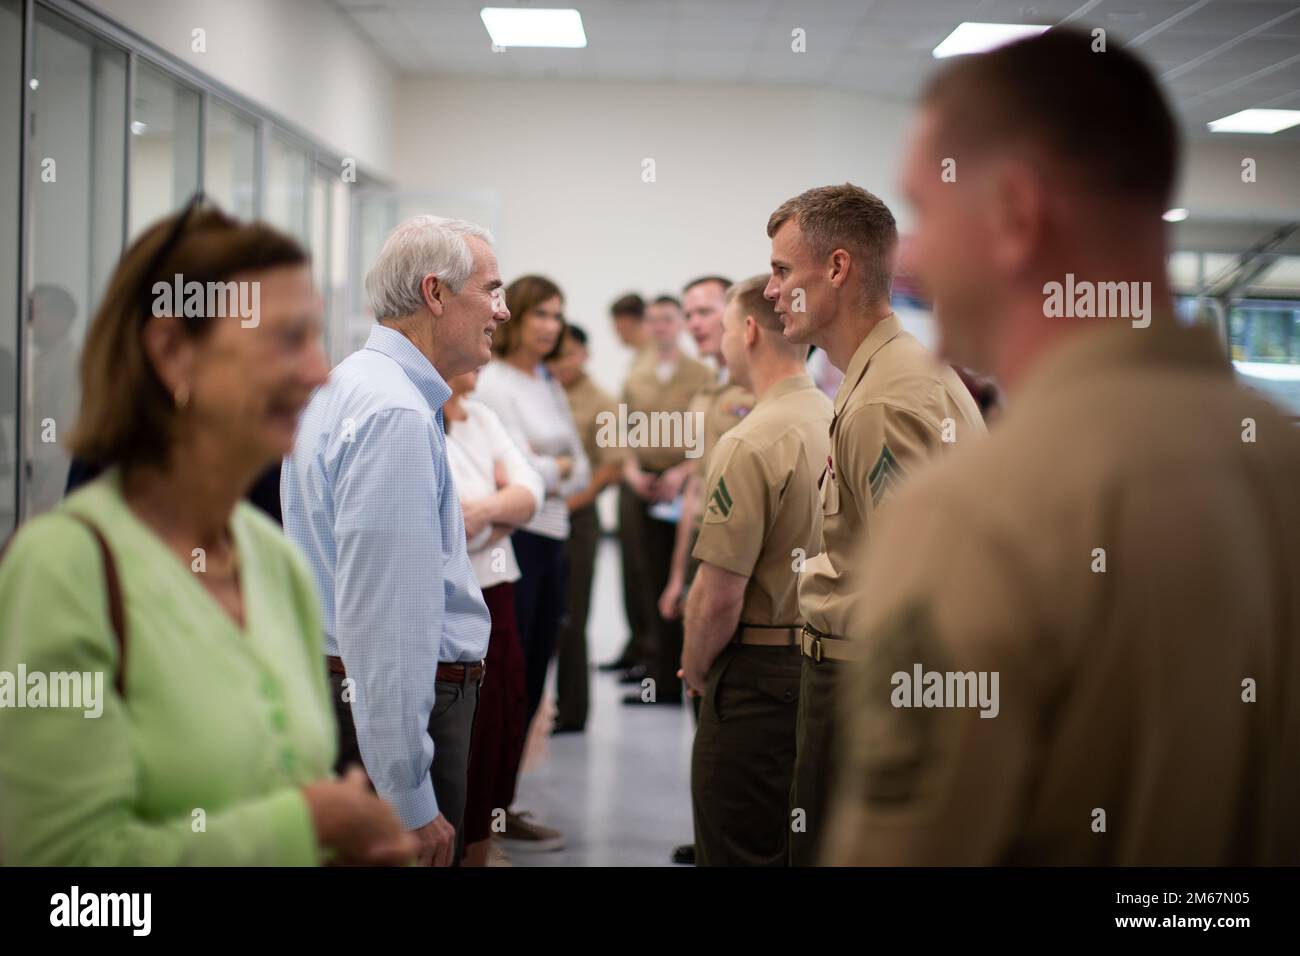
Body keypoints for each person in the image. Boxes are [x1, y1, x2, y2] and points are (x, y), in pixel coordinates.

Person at [825, 28, 1300, 866]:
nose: (915, 258)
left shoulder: (975, 515)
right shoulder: (1275, 463)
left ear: (1015, 213)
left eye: (927, 212)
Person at [0, 200, 415, 866]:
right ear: (172, 352)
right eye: (288, 338)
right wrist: (307, 823)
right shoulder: (62, 569)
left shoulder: (270, 558)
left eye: (316, 337)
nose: (318, 372)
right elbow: (68, 887)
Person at [763, 183, 987, 865]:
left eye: (780, 272)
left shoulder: (883, 401)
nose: (771, 293)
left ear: (836, 268)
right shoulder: (896, 371)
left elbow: (919, 587)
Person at [281, 214, 504, 867]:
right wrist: (407, 799)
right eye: (491, 289)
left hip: (360, 705)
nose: (503, 308)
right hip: (401, 713)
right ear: (435, 294)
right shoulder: (395, 415)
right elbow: (382, 626)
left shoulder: (352, 385)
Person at [683, 275, 832, 866]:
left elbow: (718, 596)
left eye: (720, 330)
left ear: (747, 332)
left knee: (736, 843)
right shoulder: (838, 417)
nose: (718, 344)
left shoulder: (749, 442)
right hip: (824, 662)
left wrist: (695, 669)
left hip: (757, 673)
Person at [475, 274, 589, 852]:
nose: (550, 326)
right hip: (517, 540)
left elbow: (582, 468)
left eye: (557, 316)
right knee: (506, 678)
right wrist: (553, 467)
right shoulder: (494, 382)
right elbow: (523, 471)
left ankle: (505, 802)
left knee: (535, 674)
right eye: (541, 314)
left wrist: (551, 467)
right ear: (515, 316)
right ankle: (484, 815)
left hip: (554, 538)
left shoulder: (547, 381)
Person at [442, 367, 545, 865]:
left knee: (501, 716)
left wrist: (483, 514)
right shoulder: (417, 423)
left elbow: (531, 490)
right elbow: (446, 529)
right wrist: (501, 514)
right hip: (450, 601)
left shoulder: (481, 419)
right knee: (464, 730)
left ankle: (481, 841)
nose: (480, 363)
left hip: (497, 589)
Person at [619, 295, 713, 705]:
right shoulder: (636, 372)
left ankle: (677, 675)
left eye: (668, 319)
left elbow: (708, 436)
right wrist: (632, 472)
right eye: (653, 320)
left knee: (677, 580)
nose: (660, 327)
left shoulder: (701, 374)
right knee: (644, 578)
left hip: (681, 485)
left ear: (679, 324)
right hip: (644, 484)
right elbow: (619, 430)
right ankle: (653, 675)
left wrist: (682, 472)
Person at [659, 275, 753, 623]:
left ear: (733, 315)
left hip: (741, 557)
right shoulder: (704, 395)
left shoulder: (758, 390)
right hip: (703, 548)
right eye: (689, 315)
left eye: (704, 312)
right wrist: (677, 580)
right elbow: (695, 491)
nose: (694, 324)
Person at [546, 324, 625, 733]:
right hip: (539, 518)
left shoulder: (602, 402)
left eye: (569, 355)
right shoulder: (545, 392)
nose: (561, 364)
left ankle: (573, 711)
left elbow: (611, 468)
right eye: (556, 356)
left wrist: (573, 501)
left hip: (577, 521)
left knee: (572, 618)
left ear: (585, 355)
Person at [602, 291, 655, 673]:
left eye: (619, 325)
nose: (616, 333)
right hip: (630, 473)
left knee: (645, 569)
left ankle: (650, 650)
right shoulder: (639, 361)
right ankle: (637, 644)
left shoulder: (656, 364)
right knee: (632, 567)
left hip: (645, 477)